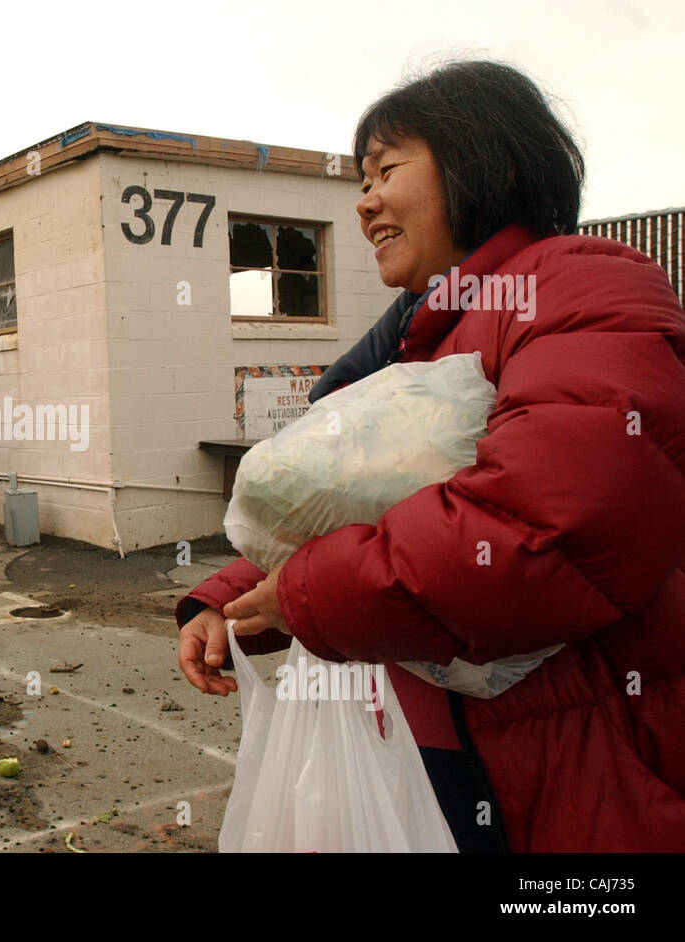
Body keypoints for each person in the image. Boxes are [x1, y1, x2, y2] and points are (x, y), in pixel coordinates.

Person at [177, 60, 685, 852]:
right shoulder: (421, 334)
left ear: (491, 162)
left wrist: (303, 593)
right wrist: (235, 597)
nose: (365, 199)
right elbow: (358, 503)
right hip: (427, 752)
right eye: (360, 179)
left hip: (558, 759)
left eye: (386, 169)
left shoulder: (580, 288)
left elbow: (541, 531)